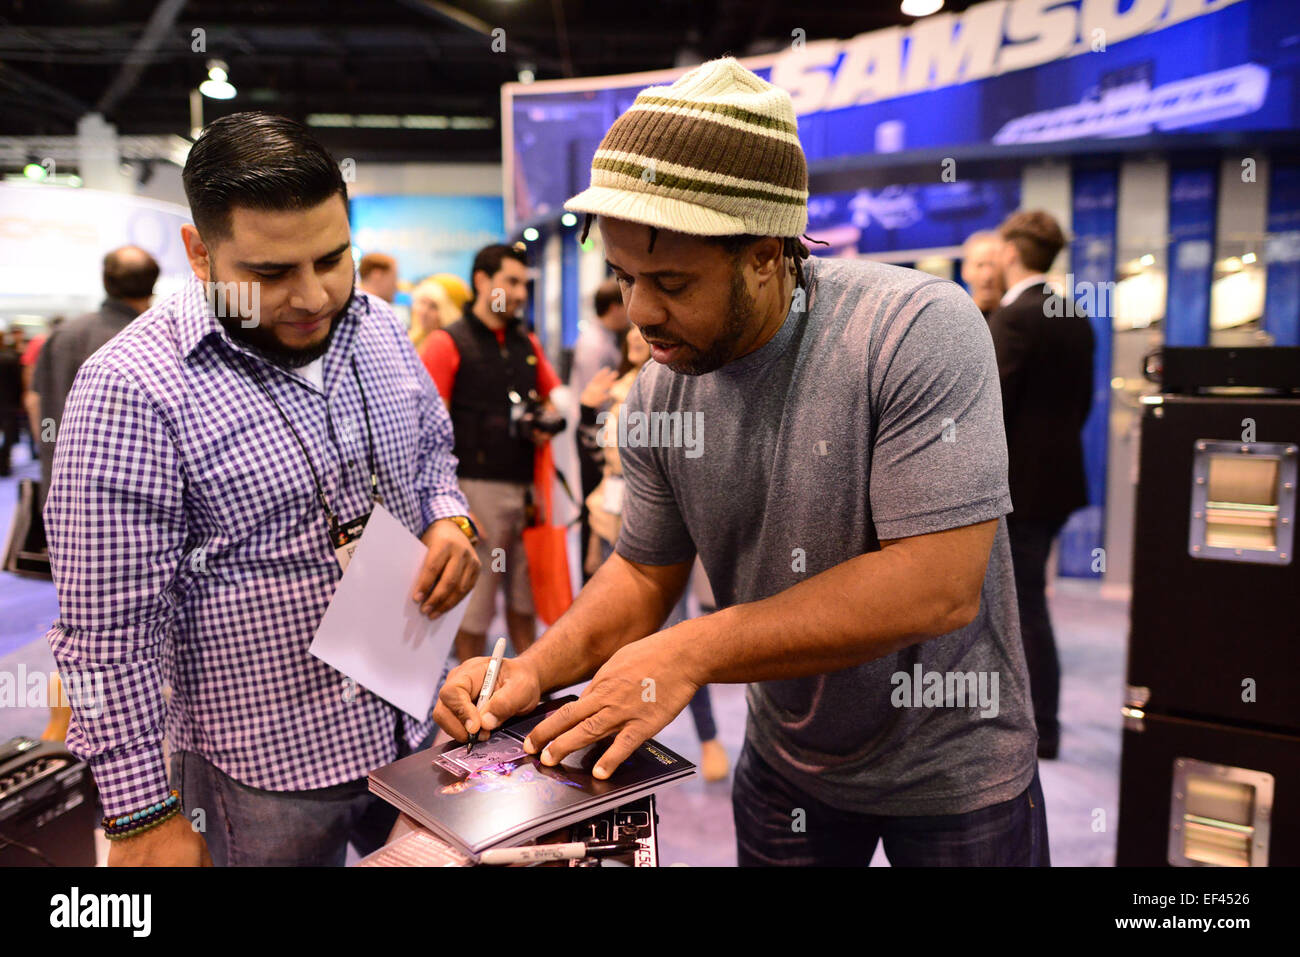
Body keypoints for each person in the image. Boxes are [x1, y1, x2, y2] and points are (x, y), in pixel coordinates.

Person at [434, 58, 1047, 867]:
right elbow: (645, 571)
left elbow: (937, 582)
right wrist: (532, 668)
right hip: (787, 764)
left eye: (672, 280)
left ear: (767, 254)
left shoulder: (915, 329)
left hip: (953, 774)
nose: (643, 313)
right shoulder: (661, 388)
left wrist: (691, 649)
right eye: (623, 276)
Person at [44, 111, 481, 867]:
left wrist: (449, 519)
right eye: (273, 273)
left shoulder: (376, 325)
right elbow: (105, 631)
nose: (313, 296)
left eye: (332, 258)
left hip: (408, 728)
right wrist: (141, 813)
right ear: (199, 252)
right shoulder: (131, 388)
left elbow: (432, 447)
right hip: (259, 774)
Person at [577, 324, 729, 781]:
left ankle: (708, 737)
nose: (633, 347)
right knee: (609, 632)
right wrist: (587, 413)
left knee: (676, 635)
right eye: (627, 342)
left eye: (641, 341)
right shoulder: (615, 390)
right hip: (608, 518)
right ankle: (608, 737)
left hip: (662, 526)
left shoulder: (680, 392)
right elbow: (591, 457)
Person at [420, 243, 563, 664]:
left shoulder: (527, 342)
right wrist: (453, 506)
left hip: (527, 493)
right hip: (474, 492)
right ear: (482, 281)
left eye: (524, 284)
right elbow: (428, 433)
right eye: (511, 282)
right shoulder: (447, 343)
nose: (520, 293)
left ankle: (528, 697)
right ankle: (469, 712)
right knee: (473, 612)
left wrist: (544, 420)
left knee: (524, 602)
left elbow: (555, 402)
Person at [987, 210, 1095, 762]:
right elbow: (1080, 408)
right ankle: (1040, 724)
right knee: (1031, 602)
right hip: (1057, 486)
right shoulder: (1074, 315)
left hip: (1017, 492)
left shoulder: (1013, 319)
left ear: (1010, 252)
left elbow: (985, 412)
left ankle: (1039, 729)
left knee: (1022, 607)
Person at [31, 247, 159, 503]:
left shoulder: (62, 335)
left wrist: (51, 448)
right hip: (130, 493)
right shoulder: (156, 338)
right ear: (153, 282)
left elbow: (37, 403)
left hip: (61, 482)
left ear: (105, 280)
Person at [572, 278, 629, 581]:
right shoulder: (594, 344)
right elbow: (596, 401)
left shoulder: (606, 337)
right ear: (614, 307)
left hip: (601, 433)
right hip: (596, 435)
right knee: (596, 508)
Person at [961, 230, 1006, 318]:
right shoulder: (956, 320)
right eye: (980, 265)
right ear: (964, 271)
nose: (987, 276)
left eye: (993, 265)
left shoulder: (1017, 318)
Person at [409, 276, 460, 350]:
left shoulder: (447, 345)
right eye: (422, 302)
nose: (424, 312)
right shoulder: (411, 338)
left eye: (434, 306)